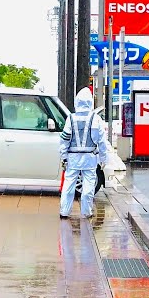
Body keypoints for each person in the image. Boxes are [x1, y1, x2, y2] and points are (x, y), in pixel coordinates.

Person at [59, 87, 111, 219]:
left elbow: (64, 140)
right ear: (90, 103)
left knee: (69, 184)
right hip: (90, 158)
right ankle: (86, 212)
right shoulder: (96, 119)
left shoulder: (70, 118)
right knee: (88, 185)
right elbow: (102, 142)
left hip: (73, 158)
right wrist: (103, 159)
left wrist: (63, 157)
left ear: (76, 102)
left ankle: (65, 211)